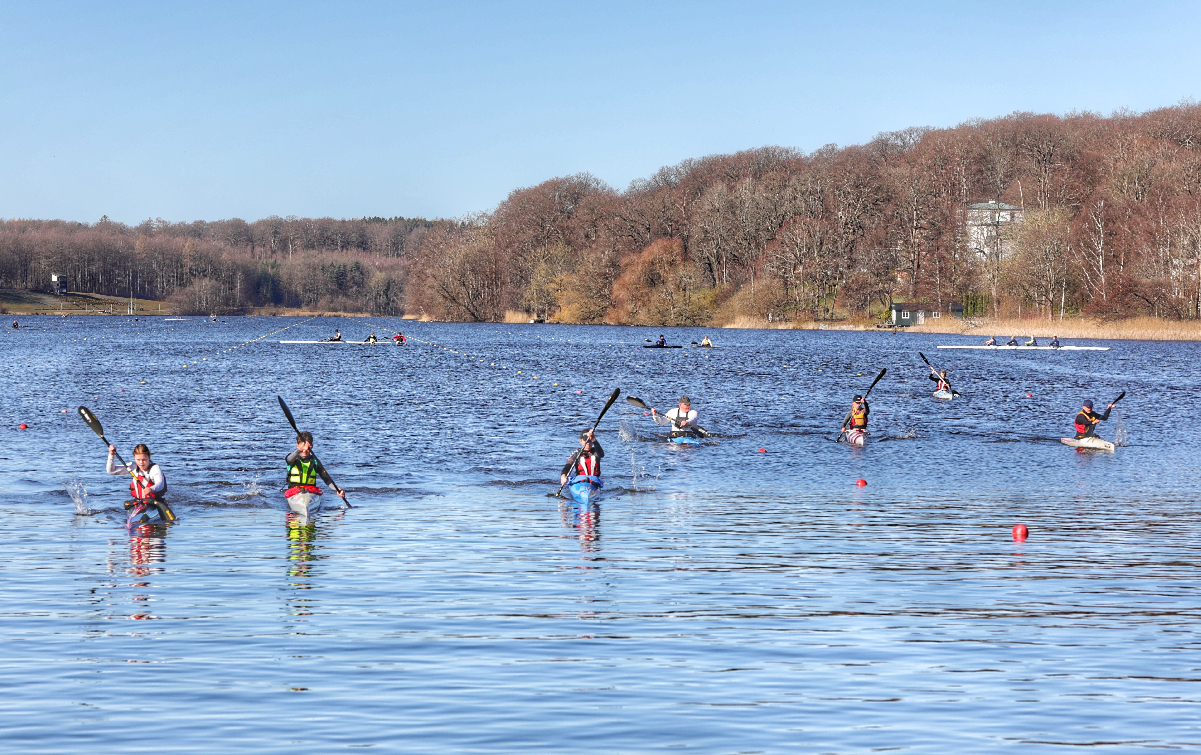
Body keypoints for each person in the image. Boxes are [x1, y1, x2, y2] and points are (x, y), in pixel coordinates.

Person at [285, 431, 347, 502]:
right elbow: (289, 459)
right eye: (302, 446)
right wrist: (299, 450)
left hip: (310, 492)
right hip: (294, 491)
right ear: (297, 446)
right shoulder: (292, 458)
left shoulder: (315, 461)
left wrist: (338, 489)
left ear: (311, 446)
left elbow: (327, 480)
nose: (305, 449)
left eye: (307, 447)